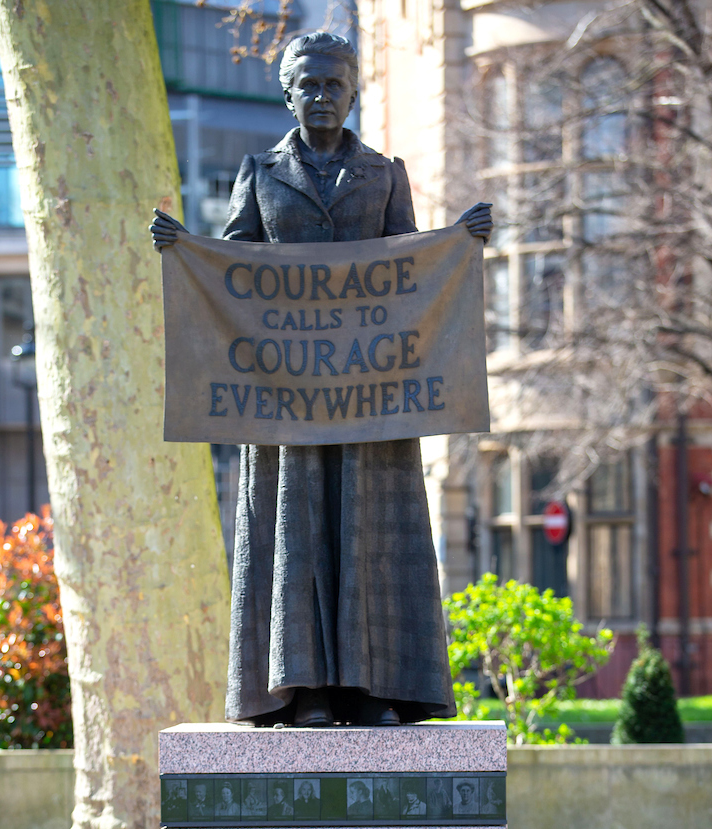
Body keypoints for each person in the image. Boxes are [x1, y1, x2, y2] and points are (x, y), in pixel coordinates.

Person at [151, 31, 492, 728]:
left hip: (372, 400)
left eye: (334, 84)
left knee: (373, 531)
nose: (321, 96)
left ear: (352, 92)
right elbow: (234, 276)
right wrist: (187, 252)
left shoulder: (385, 175)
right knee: (295, 534)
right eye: (307, 84)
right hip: (285, 403)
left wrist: (458, 244)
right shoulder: (259, 173)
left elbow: (409, 271)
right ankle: (300, 687)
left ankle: (374, 687)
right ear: (288, 94)